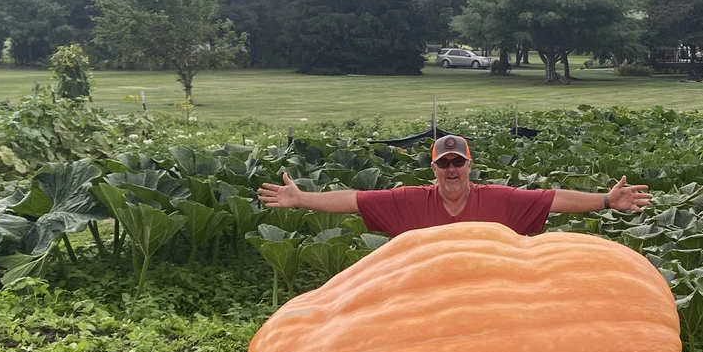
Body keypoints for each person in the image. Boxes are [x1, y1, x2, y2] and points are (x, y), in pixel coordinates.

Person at [256, 134, 652, 237]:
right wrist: (301, 198)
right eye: (443, 163)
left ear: (468, 166)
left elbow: (553, 200)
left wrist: (605, 200)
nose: (451, 169)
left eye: (457, 162)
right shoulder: (408, 202)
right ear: (433, 168)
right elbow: (353, 200)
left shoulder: (499, 200)